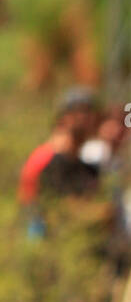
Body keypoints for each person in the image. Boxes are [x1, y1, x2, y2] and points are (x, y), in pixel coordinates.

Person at [18, 87, 101, 216]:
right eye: (83, 112)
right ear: (64, 118)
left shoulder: (78, 161)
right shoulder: (47, 159)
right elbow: (60, 209)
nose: (89, 118)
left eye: (91, 112)